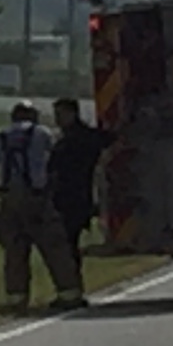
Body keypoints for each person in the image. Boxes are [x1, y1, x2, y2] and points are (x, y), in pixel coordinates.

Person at [0, 98, 83, 312]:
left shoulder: (0, 137)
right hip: (38, 198)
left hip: (10, 200)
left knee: (14, 250)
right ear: (33, 116)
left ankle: (16, 298)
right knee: (54, 247)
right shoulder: (42, 134)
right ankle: (68, 294)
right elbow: (57, 160)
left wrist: (0, 190)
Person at [45, 94, 113, 283]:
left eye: (61, 114)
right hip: (75, 196)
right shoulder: (80, 137)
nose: (57, 119)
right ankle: (73, 284)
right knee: (68, 243)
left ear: (73, 113)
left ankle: (72, 286)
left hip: (73, 196)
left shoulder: (75, 141)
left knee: (66, 243)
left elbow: (53, 170)